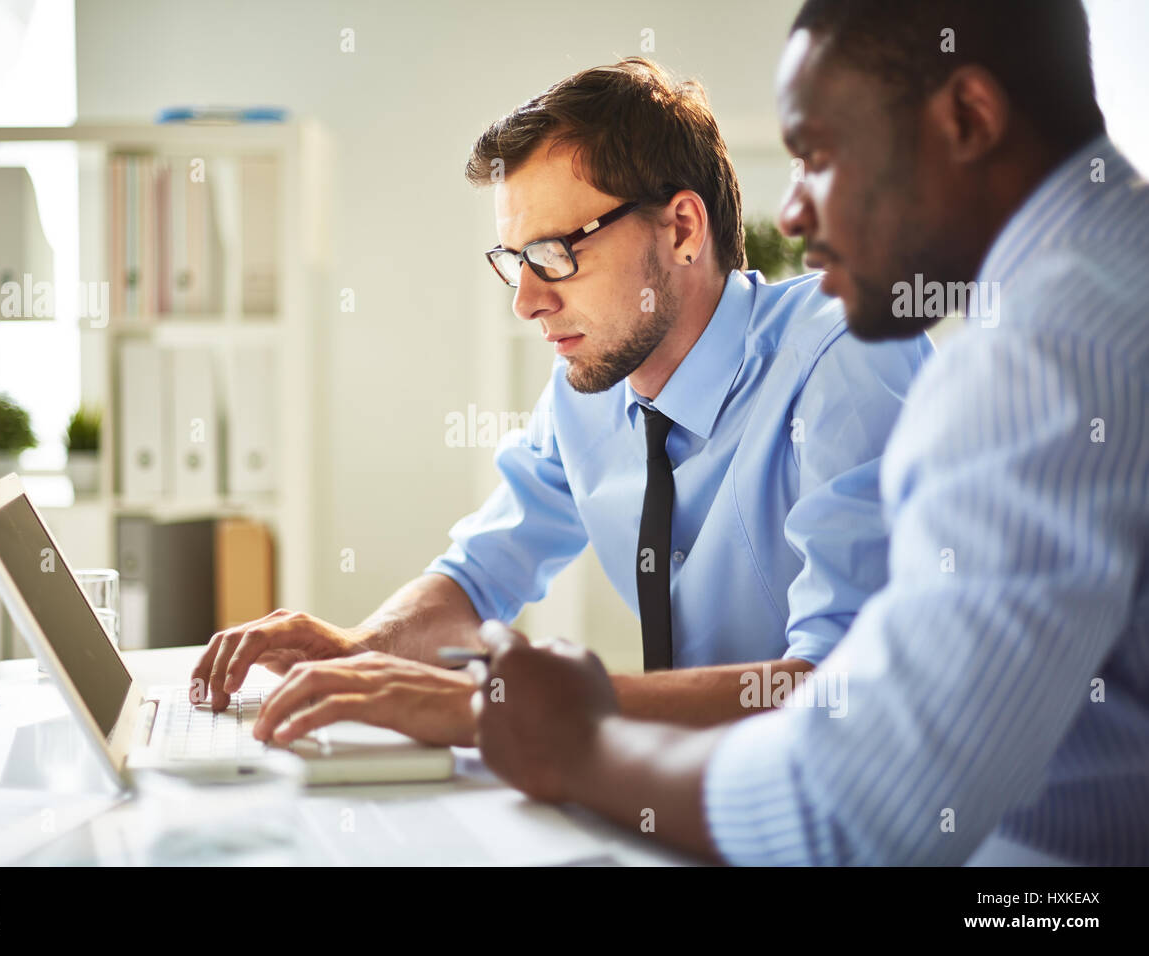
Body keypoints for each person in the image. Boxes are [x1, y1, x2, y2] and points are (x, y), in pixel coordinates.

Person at [473, 0, 1149, 865]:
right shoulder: (1105, 284)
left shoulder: (1041, 357)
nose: (789, 216)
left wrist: (578, 741)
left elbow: (859, 810)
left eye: (818, 158)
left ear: (969, 119)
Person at [190, 59, 930, 746]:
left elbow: (840, 689)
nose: (527, 302)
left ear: (681, 230)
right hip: (690, 804)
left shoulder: (849, 354)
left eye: (554, 256)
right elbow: (479, 576)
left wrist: (493, 711)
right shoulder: (591, 392)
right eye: (515, 262)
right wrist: (359, 648)